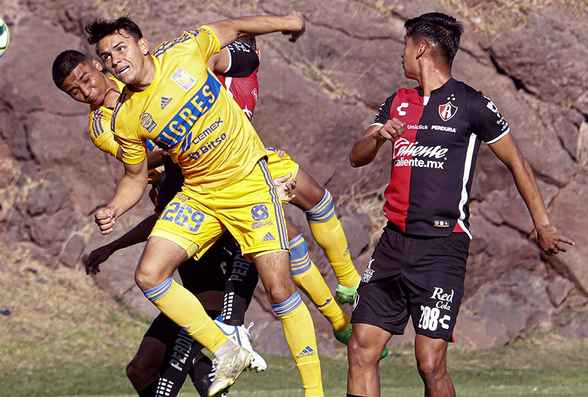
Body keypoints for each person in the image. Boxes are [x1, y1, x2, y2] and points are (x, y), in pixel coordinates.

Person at [86, 14, 325, 396]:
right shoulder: (126, 118)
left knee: (279, 290)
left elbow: (231, 27)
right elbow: (134, 176)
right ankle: (224, 349)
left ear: (142, 44)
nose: (115, 59)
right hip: (200, 195)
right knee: (149, 274)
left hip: (248, 183)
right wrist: (114, 207)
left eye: (120, 47)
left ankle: (315, 391)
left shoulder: (185, 50)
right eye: (107, 56)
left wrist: (290, 21)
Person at [346, 12, 575, 397]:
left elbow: (517, 162)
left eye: (404, 45)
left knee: (430, 362)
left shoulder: (472, 104)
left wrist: (543, 223)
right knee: (360, 349)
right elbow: (357, 156)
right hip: (392, 245)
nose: (401, 55)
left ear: (420, 48)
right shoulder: (396, 102)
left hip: (441, 248)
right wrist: (379, 137)